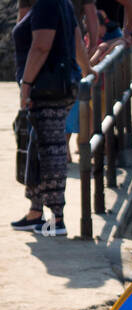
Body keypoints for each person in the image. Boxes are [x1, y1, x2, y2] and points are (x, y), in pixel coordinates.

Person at [12, 0, 91, 236]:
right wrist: (87, 70)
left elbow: (41, 46)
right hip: (59, 84)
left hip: (47, 88)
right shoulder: (61, 3)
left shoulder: (47, 3)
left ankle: (56, 219)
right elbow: (76, 40)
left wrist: (26, 86)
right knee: (38, 146)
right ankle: (36, 213)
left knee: (52, 149)